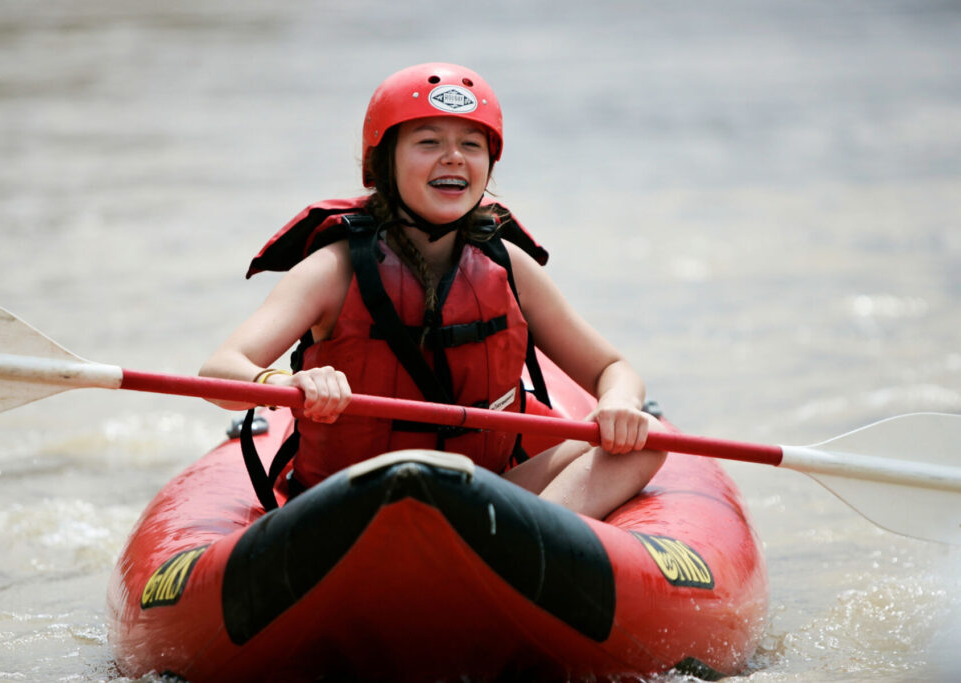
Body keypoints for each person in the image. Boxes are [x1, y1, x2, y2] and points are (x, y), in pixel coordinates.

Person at [199, 63, 666, 520]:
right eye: (428, 143)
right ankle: (509, 545)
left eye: (471, 144)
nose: (454, 157)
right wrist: (284, 383)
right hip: (352, 506)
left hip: (480, 499)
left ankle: (530, 541)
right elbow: (219, 372)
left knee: (647, 442)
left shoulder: (508, 266)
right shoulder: (334, 270)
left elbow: (612, 368)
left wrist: (618, 403)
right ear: (383, 163)